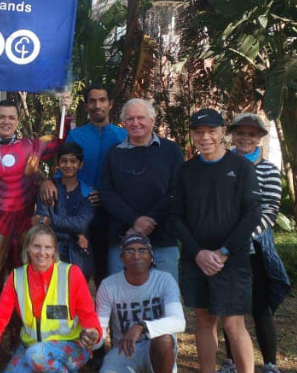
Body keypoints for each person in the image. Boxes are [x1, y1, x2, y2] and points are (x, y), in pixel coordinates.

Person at [173, 108, 265, 373]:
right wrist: (198, 253)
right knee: (203, 320)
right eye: (198, 132)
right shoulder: (186, 171)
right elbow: (177, 217)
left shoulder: (240, 167)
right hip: (195, 260)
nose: (205, 137)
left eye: (211, 131)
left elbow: (252, 213)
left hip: (232, 259)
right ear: (192, 135)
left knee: (232, 324)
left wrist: (223, 251)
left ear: (222, 132)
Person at [0, 224, 103, 373]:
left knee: (37, 355)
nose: (42, 252)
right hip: (32, 348)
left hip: (70, 349)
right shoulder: (16, 278)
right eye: (36, 246)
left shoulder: (71, 273)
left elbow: (90, 319)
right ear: (27, 248)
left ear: (54, 250)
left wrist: (92, 332)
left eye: (48, 247)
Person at [216, 113, 292, 373]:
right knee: (229, 307)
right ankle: (230, 361)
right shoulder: (222, 166)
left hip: (255, 246)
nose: (245, 138)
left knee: (260, 308)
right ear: (232, 135)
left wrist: (239, 238)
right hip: (225, 248)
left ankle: (270, 365)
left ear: (260, 137)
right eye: (240, 133)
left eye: (251, 134)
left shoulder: (269, 170)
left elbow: (269, 210)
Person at [94, 232, 185, 373]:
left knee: (163, 339)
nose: (137, 255)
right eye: (130, 251)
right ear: (122, 258)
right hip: (124, 349)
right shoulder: (109, 285)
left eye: (142, 250)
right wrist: (91, 337)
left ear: (151, 256)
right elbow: (100, 327)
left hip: (156, 347)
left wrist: (141, 326)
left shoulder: (164, 280)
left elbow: (179, 322)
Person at [0, 99, 58, 287]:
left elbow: (59, 142)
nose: (6, 121)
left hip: (24, 224)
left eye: (11, 117)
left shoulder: (30, 146)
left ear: (17, 121)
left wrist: (66, 112)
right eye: (1, 117)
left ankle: (23, 317)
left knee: (24, 276)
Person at [98, 98, 185, 281]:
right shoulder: (114, 153)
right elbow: (106, 192)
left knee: (165, 301)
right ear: (124, 123)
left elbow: (177, 191)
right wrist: (134, 221)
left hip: (162, 239)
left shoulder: (171, 151)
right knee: (122, 302)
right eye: (130, 119)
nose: (135, 123)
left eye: (141, 118)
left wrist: (150, 220)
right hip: (123, 240)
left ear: (152, 120)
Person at [58, 83, 126, 280]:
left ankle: (103, 311)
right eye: (92, 101)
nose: (98, 105)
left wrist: (106, 195)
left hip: (112, 215)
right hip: (80, 213)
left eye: (102, 100)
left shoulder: (123, 136)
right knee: (76, 272)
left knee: (107, 273)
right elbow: (64, 165)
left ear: (110, 104)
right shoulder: (76, 135)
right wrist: (49, 183)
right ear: (86, 106)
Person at [34, 140, 95, 279]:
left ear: (80, 164)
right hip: (49, 254)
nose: (68, 165)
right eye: (64, 161)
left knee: (74, 296)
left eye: (73, 161)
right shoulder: (48, 190)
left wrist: (50, 221)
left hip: (79, 257)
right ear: (58, 164)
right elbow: (41, 225)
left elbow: (81, 223)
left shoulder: (88, 193)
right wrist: (76, 234)